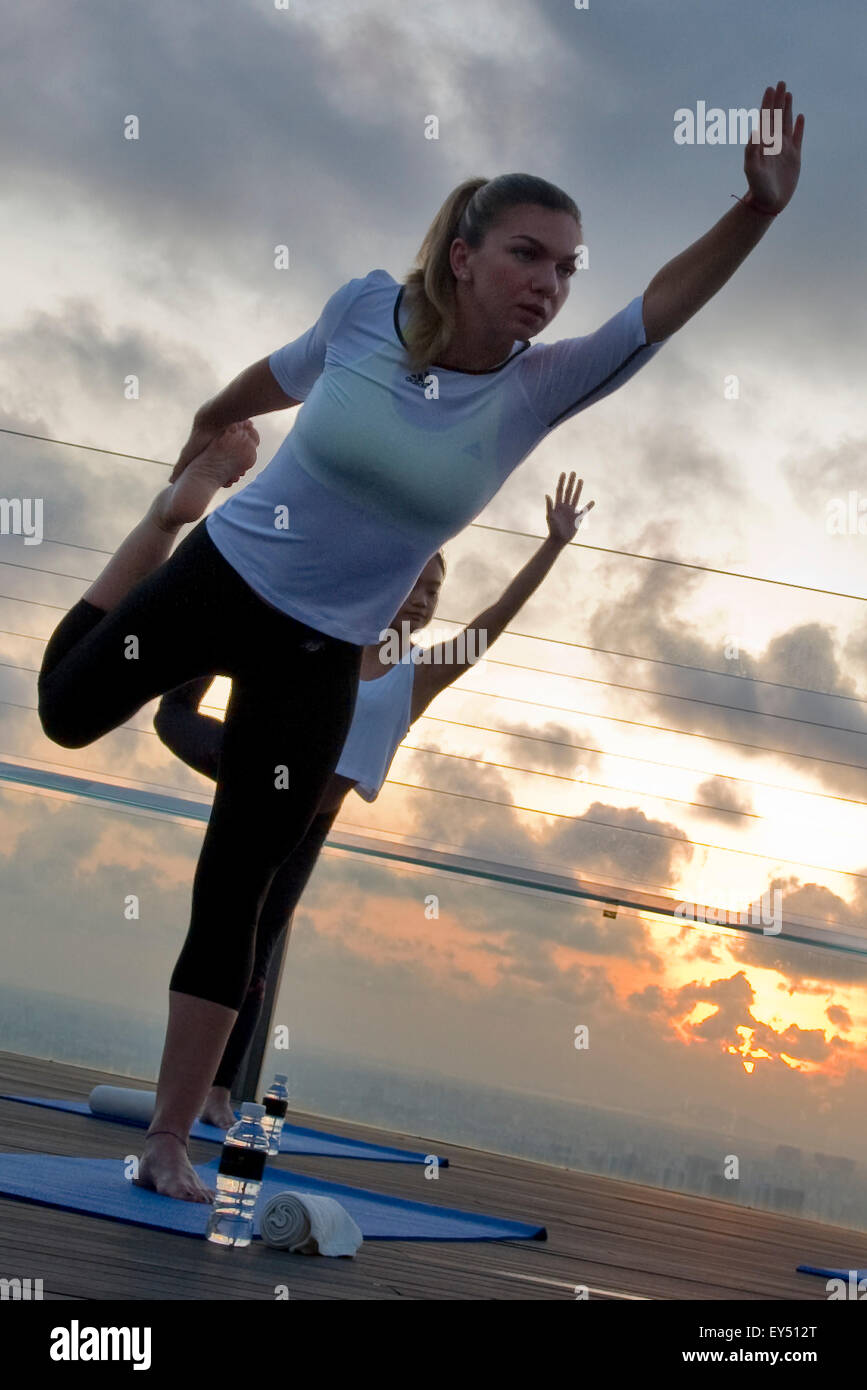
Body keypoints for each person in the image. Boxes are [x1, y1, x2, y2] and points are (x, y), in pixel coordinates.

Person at [36, 84, 805, 1200]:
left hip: (320, 651)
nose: (549, 284)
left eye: (565, 268)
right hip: (224, 573)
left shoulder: (542, 389)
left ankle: (168, 1138)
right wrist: (206, 436)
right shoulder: (364, 310)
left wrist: (759, 212)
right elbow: (277, 374)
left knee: (239, 886)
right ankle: (155, 525)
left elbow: (657, 311)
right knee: (65, 713)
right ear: (462, 255)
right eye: (529, 256)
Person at [154, 473, 591, 1130]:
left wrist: (552, 547)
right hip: (248, 771)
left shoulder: (421, 676)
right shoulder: (321, 637)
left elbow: (492, 622)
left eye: (433, 593)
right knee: (174, 718)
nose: (421, 600)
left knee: (256, 944)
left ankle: (216, 1091)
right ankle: (201, 1093)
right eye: (413, 584)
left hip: (307, 821)